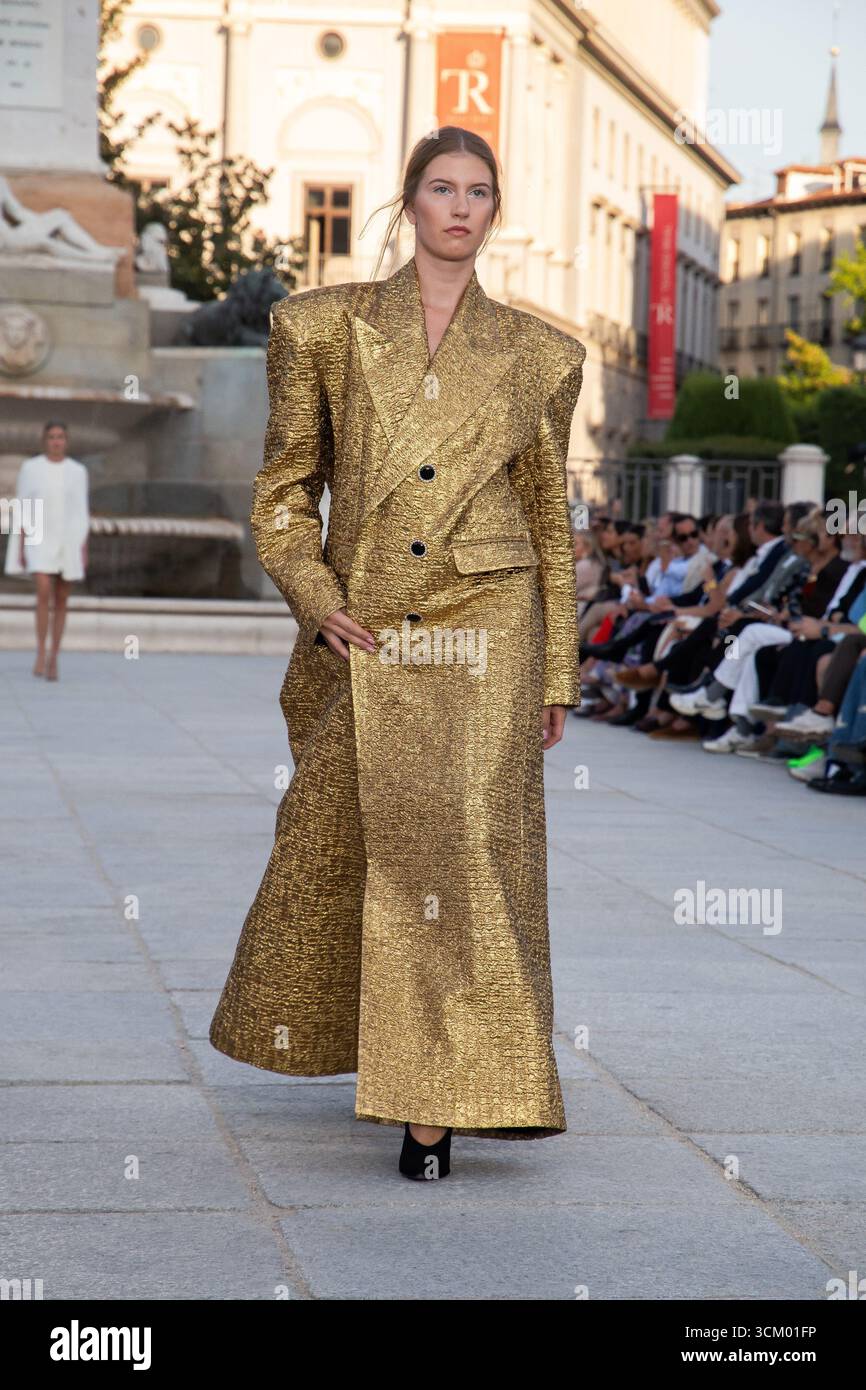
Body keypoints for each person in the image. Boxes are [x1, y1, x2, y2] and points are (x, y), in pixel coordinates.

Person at [208, 126, 586, 1181]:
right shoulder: (319, 326)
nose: (459, 207)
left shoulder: (542, 354)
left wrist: (555, 670)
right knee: (354, 842)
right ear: (408, 203)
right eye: (440, 188)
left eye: (478, 192)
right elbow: (283, 495)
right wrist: (319, 600)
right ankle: (395, 1054)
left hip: (486, 618)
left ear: (493, 212)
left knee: (460, 843)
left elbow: (547, 522)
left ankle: (441, 1102)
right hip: (365, 623)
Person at [3, 421, 90, 681]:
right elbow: (24, 504)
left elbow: (81, 510)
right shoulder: (31, 468)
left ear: (67, 441)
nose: (56, 441)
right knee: (43, 590)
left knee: (62, 598)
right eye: (51, 437)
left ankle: (54, 656)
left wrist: (83, 546)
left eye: (60, 437)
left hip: (68, 537)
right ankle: (40, 651)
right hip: (39, 534)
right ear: (44, 441)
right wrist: (21, 542)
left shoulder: (78, 471)